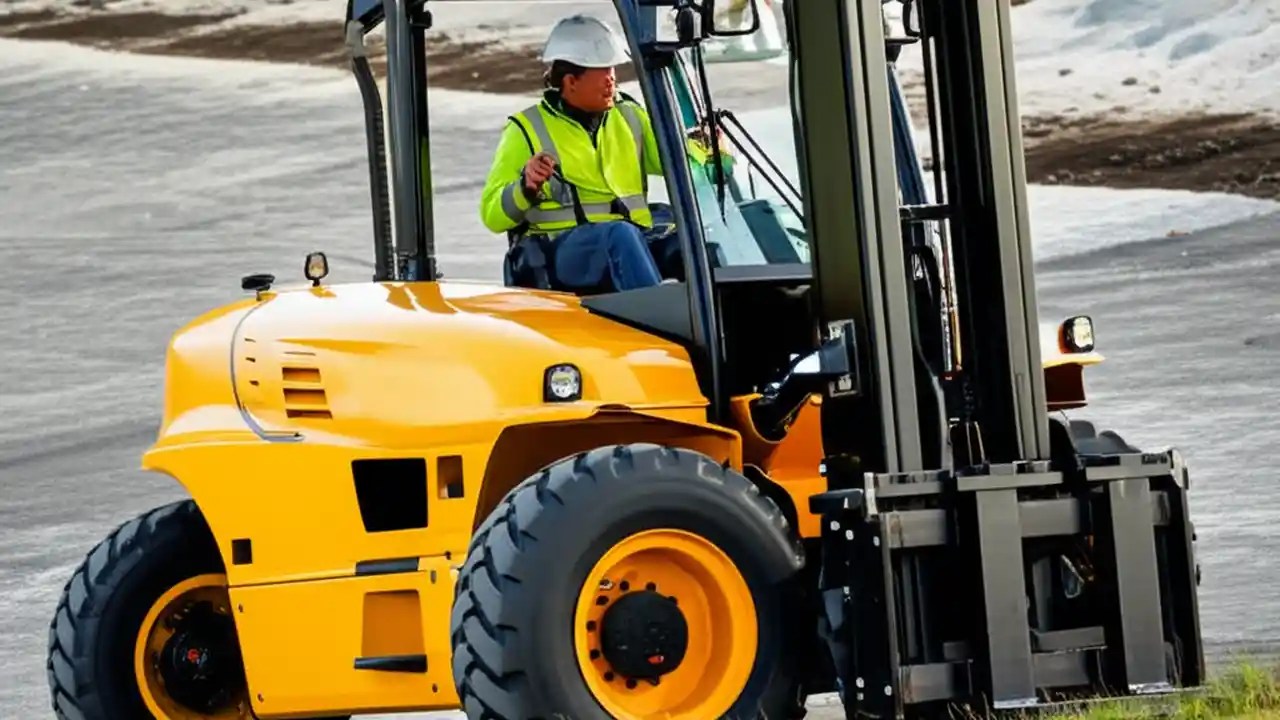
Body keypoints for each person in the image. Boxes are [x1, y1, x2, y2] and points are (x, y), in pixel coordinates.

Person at [479, 14, 713, 292]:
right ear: (570, 81)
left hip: (630, 238)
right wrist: (525, 187)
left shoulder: (629, 116)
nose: (611, 79)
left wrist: (709, 148)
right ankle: (655, 324)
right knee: (620, 235)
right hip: (562, 253)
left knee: (694, 243)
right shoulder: (526, 129)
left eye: (611, 68)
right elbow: (492, 215)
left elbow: (678, 164)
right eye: (601, 70)